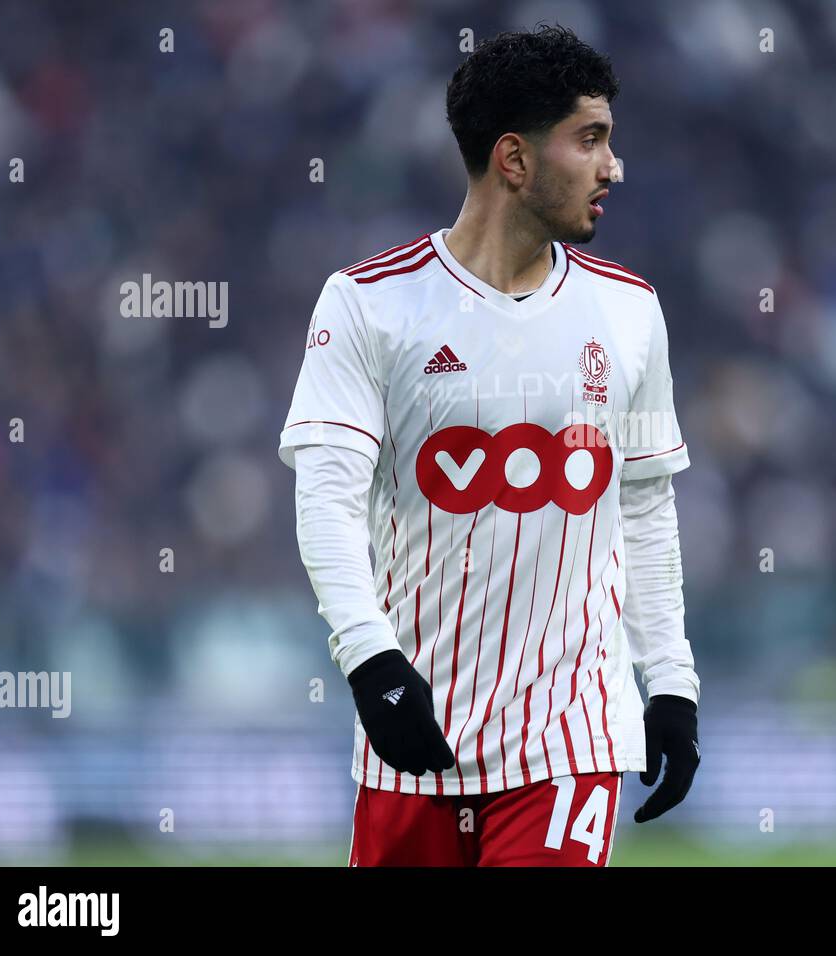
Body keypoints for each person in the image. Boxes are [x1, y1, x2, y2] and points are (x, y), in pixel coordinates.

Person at [277, 24, 700, 866]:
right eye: (590, 140)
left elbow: (645, 506)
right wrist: (371, 661)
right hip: (413, 735)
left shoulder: (630, 311)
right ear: (513, 158)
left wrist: (671, 683)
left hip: (571, 740)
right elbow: (327, 501)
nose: (613, 167)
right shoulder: (368, 305)